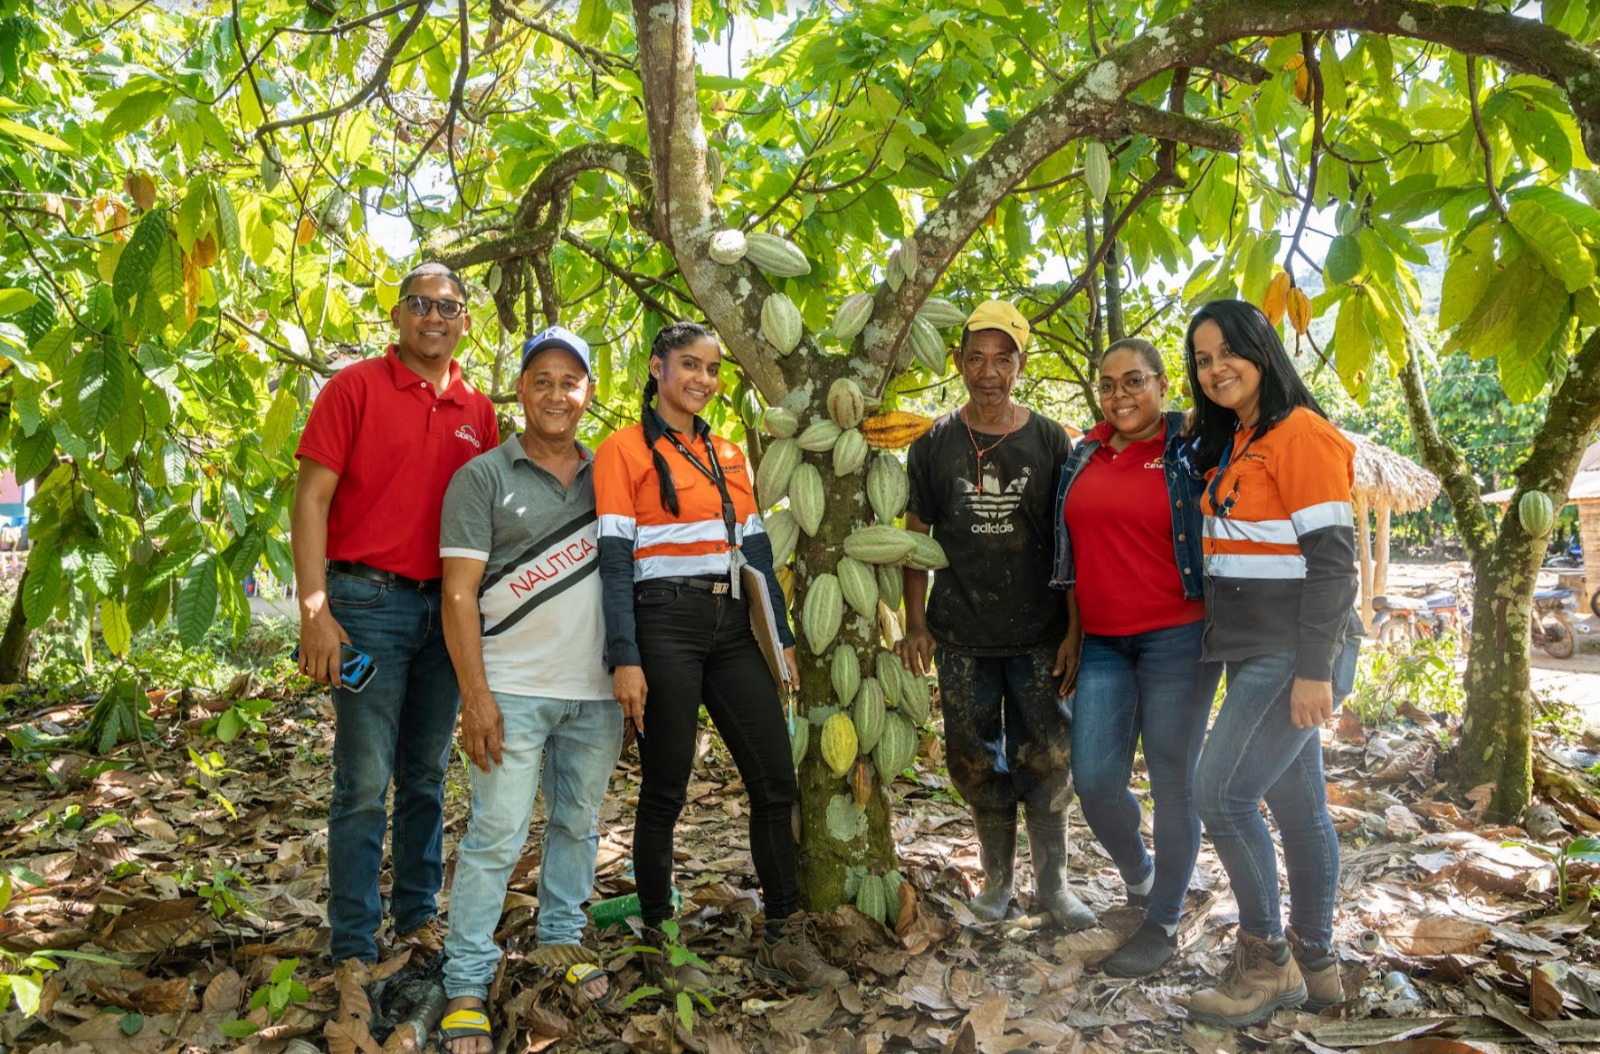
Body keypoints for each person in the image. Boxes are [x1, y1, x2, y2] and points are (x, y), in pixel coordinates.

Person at [593, 321, 847, 992]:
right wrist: (625, 656)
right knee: (666, 790)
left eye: (712, 369)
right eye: (689, 365)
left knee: (774, 782)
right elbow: (614, 562)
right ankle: (661, 941)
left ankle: (785, 934)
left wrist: (782, 639)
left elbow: (756, 553)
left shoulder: (730, 452)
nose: (703, 380)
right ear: (656, 368)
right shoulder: (621, 451)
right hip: (662, 624)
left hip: (733, 623)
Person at [291, 263, 498, 1045]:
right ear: (399, 314)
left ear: (464, 322)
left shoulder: (479, 410)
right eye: (422, 304)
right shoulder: (353, 389)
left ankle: (416, 916)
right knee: (363, 780)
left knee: (424, 774)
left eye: (449, 307)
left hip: (445, 613)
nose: (435, 317)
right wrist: (316, 610)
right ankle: (352, 940)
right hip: (367, 606)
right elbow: (310, 498)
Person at [433, 328, 622, 1054]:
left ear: (588, 394)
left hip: (596, 692)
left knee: (578, 825)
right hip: (510, 688)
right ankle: (468, 980)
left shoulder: (611, 473)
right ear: (520, 390)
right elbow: (458, 596)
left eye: (570, 381)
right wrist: (474, 696)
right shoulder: (482, 477)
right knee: (495, 838)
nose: (556, 394)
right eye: (541, 380)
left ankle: (562, 942)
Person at [1178, 300, 1356, 1027]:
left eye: (1228, 353)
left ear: (1262, 352)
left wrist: (1315, 669)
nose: (1215, 368)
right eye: (1201, 359)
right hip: (1259, 649)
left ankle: (1266, 963)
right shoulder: (1242, 438)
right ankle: (1317, 964)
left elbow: (1335, 563)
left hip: (1292, 655)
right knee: (1299, 808)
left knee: (1218, 795)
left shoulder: (1302, 434)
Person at [898, 300, 1095, 931]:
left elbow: (1068, 542)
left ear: (1020, 363)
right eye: (976, 358)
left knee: (1048, 758)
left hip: (1039, 636)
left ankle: (1055, 887)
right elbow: (915, 536)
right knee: (974, 759)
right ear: (957, 362)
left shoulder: (1049, 439)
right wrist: (916, 621)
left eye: (1002, 358)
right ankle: (997, 882)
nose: (989, 371)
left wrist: (1074, 628)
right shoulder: (932, 443)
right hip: (960, 634)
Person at [1051, 337, 1223, 976]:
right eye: (1108, 385)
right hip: (1101, 643)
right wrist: (1073, 632)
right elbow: (1068, 560)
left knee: (1175, 781)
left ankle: (1163, 922)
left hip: (1180, 638)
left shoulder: (1192, 448)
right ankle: (1142, 875)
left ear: (1162, 386)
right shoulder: (1083, 455)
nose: (1119, 395)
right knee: (1094, 781)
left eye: (1134, 381)